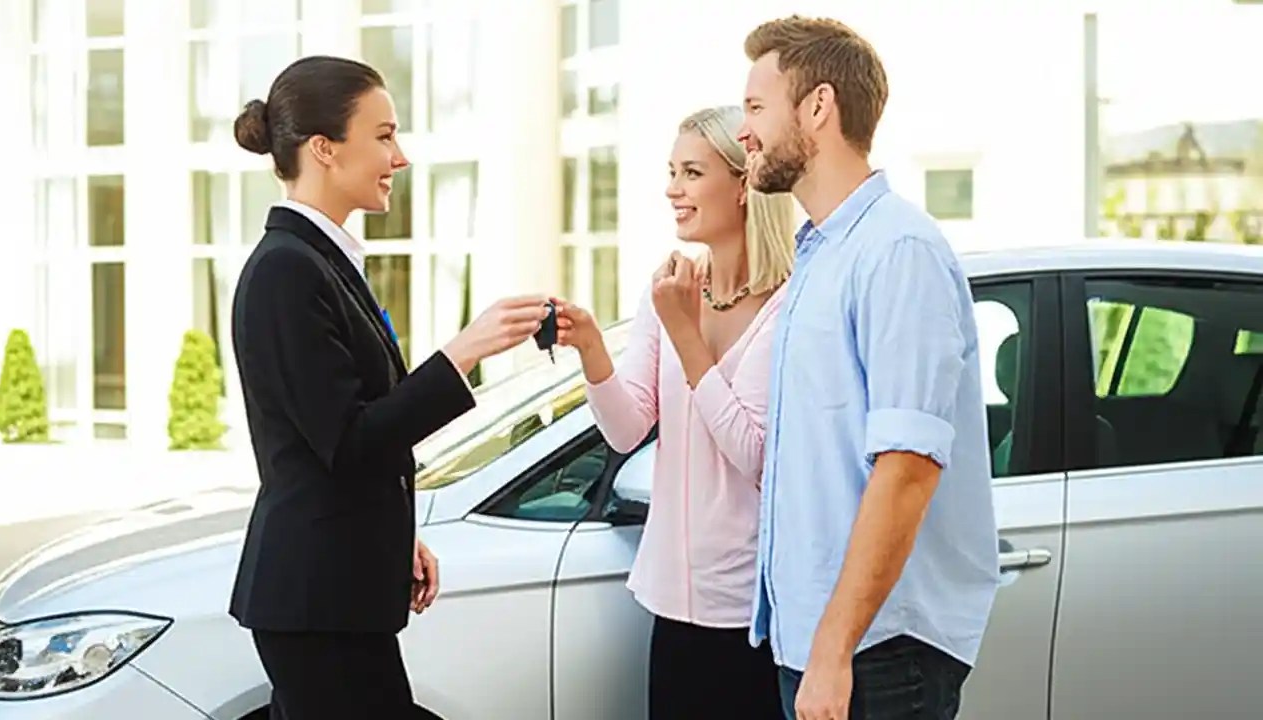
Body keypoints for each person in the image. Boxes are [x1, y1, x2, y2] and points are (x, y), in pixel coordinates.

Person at [227, 55, 549, 720]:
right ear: (323, 149)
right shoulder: (288, 270)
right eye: (383, 135)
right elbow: (346, 440)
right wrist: (463, 352)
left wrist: (395, 535)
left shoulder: (320, 261)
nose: (398, 157)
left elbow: (348, 437)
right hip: (316, 603)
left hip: (337, 593)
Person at [737, 16, 1000, 720]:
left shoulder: (897, 251)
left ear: (818, 107)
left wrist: (832, 649)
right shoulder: (823, 255)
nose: (744, 131)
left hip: (878, 654)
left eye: (757, 107)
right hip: (824, 645)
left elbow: (908, 467)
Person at [554, 105, 795, 719]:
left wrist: (686, 332)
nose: (672, 189)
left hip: (753, 612)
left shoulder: (790, 304)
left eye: (690, 172)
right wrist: (591, 350)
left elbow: (756, 453)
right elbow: (627, 426)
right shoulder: (669, 285)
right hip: (672, 604)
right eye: (671, 171)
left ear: (743, 186)